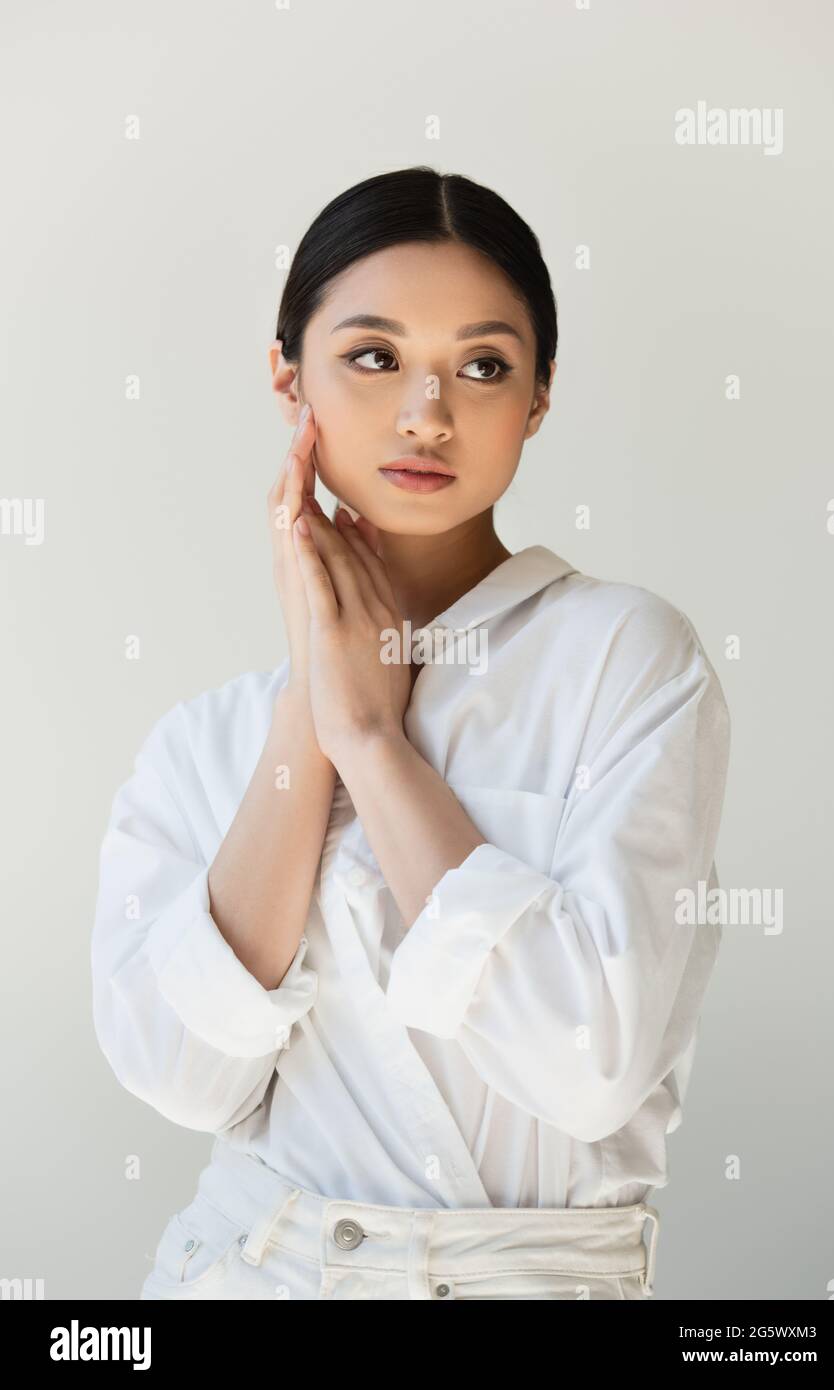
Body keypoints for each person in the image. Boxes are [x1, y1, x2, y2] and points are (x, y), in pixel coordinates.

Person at [91, 166, 731, 1301]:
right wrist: (313, 714)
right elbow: (186, 1079)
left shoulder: (630, 659)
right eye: (374, 356)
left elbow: (587, 1066)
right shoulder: (202, 744)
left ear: (538, 400)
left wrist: (375, 746)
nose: (427, 412)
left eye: (483, 366)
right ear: (288, 376)